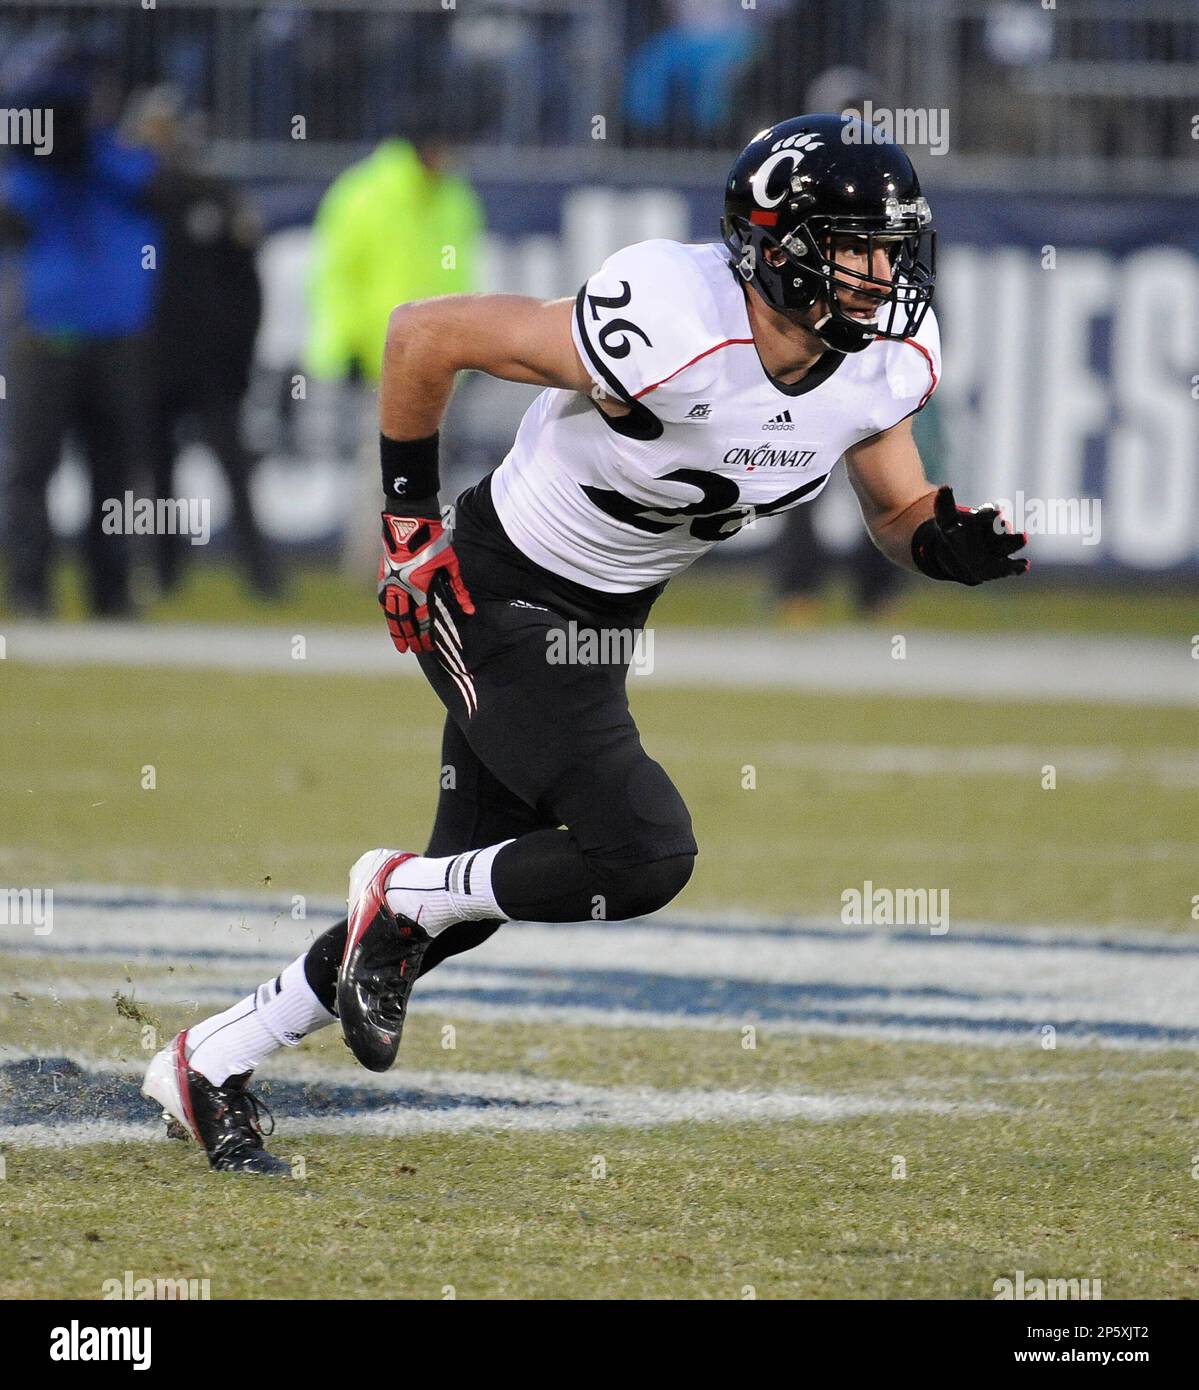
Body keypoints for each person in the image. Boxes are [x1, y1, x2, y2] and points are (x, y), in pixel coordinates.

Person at [141, 115, 1028, 1172]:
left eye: (892, 247)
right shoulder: (671, 315)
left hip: (603, 622)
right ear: (776, 243)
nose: (882, 273)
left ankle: (210, 1059)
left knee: (460, 902)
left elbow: (893, 507)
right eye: (856, 245)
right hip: (493, 587)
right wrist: (409, 530)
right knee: (641, 849)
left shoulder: (876, 361)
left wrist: (939, 541)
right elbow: (425, 333)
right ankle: (395, 896)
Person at [0, 38, 159, 617]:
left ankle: (112, 594)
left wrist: (88, 152)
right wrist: (46, 150)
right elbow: (14, 215)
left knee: (115, 472)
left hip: (116, 338)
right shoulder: (32, 170)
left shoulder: (121, 161)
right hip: (45, 336)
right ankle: (29, 588)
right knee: (31, 467)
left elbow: (151, 189)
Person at [306, 109, 483, 575]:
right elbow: (337, 276)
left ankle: (411, 564)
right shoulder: (366, 193)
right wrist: (344, 344)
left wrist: (468, 346)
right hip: (380, 358)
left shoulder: (454, 197)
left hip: (440, 358)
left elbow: (462, 278)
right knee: (383, 468)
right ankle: (373, 567)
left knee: (426, 469)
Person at [122, 86, 278, 599]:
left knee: (234, 464)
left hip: (209, 365)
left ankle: (260, 575)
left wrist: (240, 357)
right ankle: (165, 575)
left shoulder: (214, 196)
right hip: (150, 361)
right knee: (158, 471)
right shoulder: (129, 200)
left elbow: (248, 287)